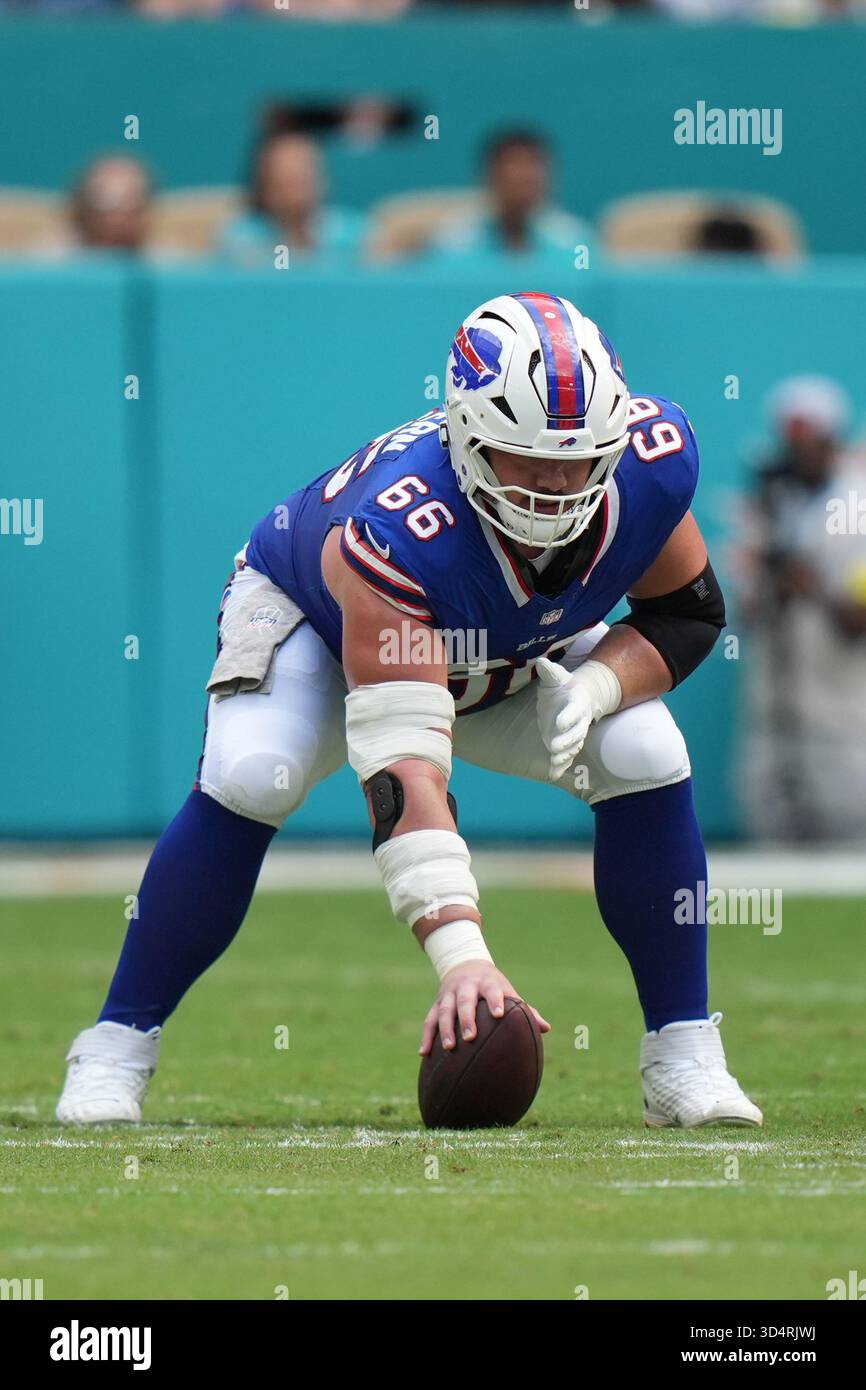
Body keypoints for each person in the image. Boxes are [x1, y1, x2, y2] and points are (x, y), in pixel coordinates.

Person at [56, 291, 761, 1130]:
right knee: (255, 774)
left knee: (643, 748)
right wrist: (463, 959)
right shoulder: (395, 530)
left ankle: (684, 1053)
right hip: (320, 626)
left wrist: (600, 686)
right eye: (526, 460)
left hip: (499, 647)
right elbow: (405, 777)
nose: (556, 487)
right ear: (465, 436)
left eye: (580, 461)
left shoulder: (652, 463)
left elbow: (685, 614)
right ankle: (114, 1049)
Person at [736, 376, 866, 841]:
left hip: (845, 727)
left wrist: (807, 582)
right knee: (775, 876)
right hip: (772, 724)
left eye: (810, 439)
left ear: (833, 438)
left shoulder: (858, 506)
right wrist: (770, 576)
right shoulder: (771, 503)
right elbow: (745, 618)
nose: (799, 451)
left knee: (850, 879)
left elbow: (857, 621)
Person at [430, 130, 595, 262]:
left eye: (533, 167)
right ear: (490, 176)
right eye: (513, 167)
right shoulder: (453, 244)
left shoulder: (575, 243)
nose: (523, 177)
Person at [217, 130, 363, 267]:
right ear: (264, 186)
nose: (296, 194)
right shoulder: (242, 239)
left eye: (303, 179)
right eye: (286, 182)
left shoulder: (357, 235)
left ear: (324, 180)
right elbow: (280, 271)